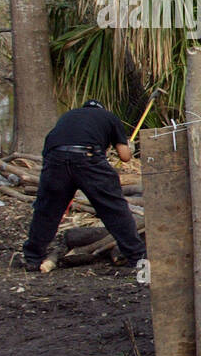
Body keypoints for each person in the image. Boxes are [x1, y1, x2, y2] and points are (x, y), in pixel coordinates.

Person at [22, 100, 147, 271]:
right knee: (114, 209)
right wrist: (129, 148)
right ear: (102, 109)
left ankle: (33, 258)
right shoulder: (109, 118)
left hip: (55, 159)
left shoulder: (68, 116)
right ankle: (137, 257)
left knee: (47, 209)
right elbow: (125, 156)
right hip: (88, 156)